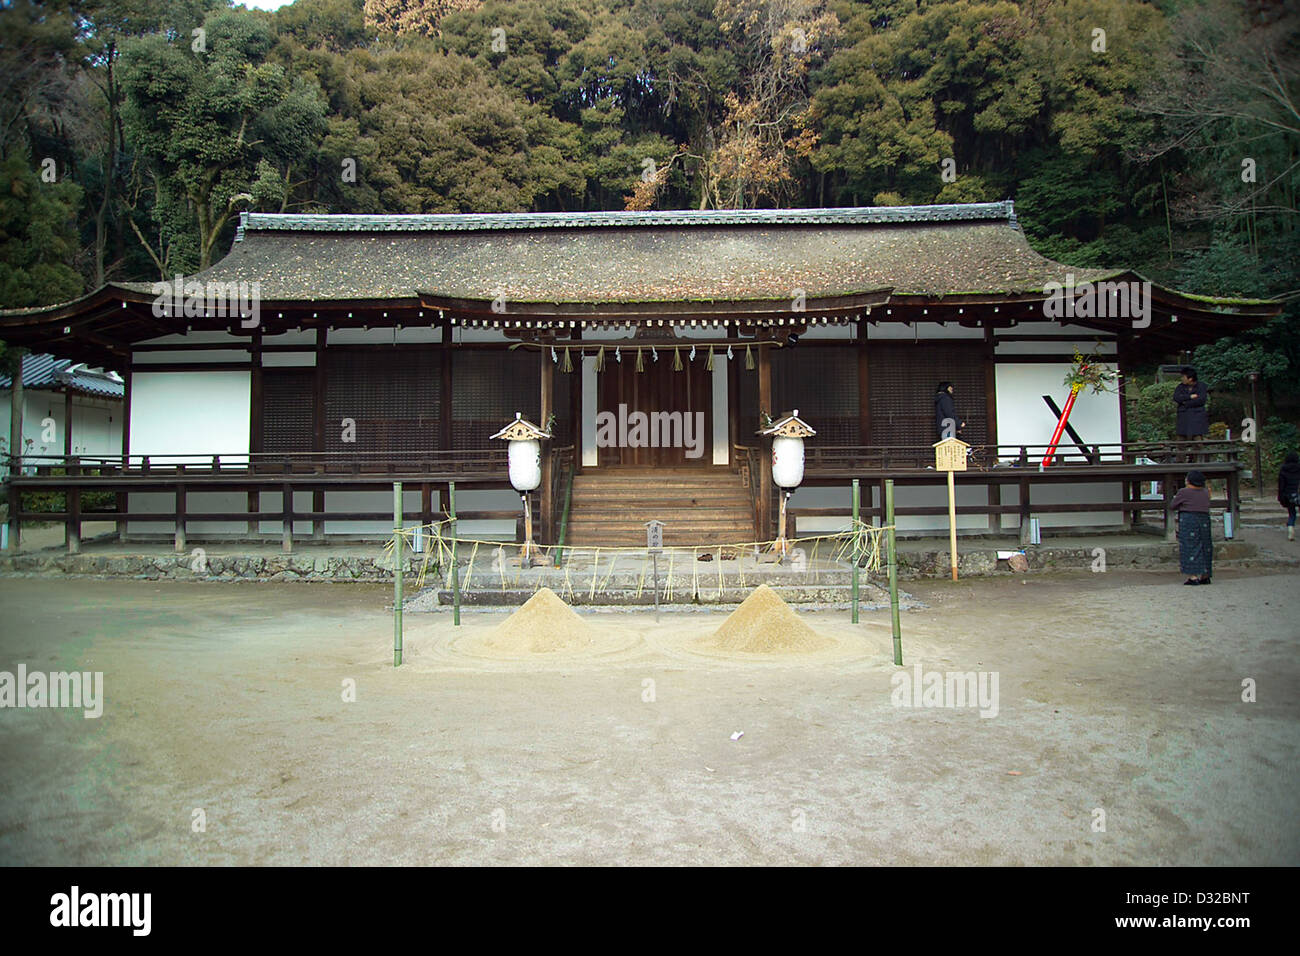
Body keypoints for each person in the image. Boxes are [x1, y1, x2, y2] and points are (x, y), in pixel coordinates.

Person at [1170, 469, 1213, 585]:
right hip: (1204, 519)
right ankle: (1205, 574)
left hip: (1189, 520)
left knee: (1190, 546)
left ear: (1189, 481)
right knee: (1205, 545)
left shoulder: (1184, 492)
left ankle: (1193, 576)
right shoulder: (1205, 492)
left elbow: (1173, 505)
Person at [1172, 367, 1209, 460]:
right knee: (1181, 441)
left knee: (1197, 441)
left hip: (1197, 416)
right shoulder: (1180, 387)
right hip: (1183, 416)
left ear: (1190, 378)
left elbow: (1201, 400)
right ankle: (1180, 461)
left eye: (1184, 377)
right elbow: (1177, 397)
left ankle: (1198, 461)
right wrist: (1190, 396)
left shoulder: (1201, 386)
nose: (1182, 379)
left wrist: (1185, 403)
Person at [1278, 451, 1300, 542]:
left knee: (1292, 513)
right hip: (1298, 493)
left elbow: (1281, 485)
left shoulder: (1283, 470)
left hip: (1288, 495)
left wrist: (1281, 496)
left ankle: (1291, 527)